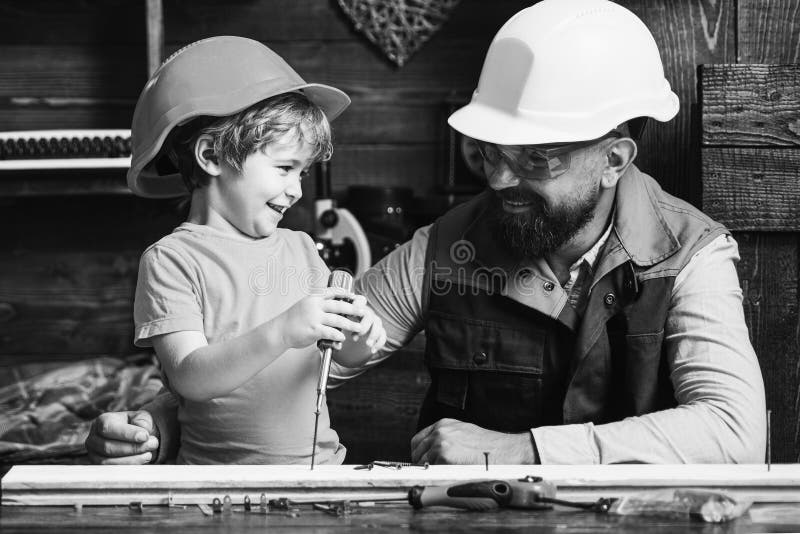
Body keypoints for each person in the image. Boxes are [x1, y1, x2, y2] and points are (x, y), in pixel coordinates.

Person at [86, 0, 766, 465]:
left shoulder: (694, 254)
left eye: (535, 159)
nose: (499, 181)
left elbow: (737, 434)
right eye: (491, 151)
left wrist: (520, 450)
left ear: (614, 159)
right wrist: (161, 418)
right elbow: (306, 362)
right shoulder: (450, 245)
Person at [95, 36, 386, 465]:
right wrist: (283, 329)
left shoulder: (302, 248)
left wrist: (361, 338)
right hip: (216, 482)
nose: (296, 190)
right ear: (212, 155)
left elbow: (337, 352)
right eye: (285, 167)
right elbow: (189, 376)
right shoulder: (173, 260)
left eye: (303, 172)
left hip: (319, 469)